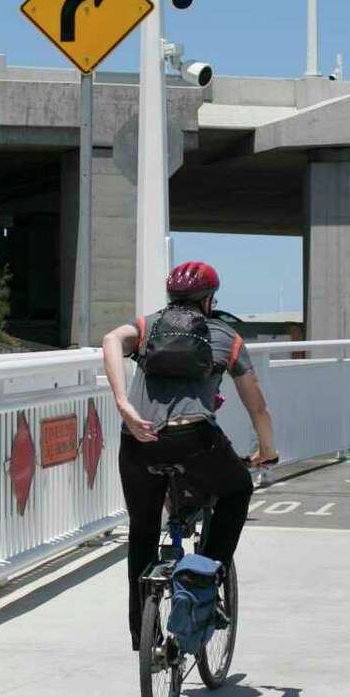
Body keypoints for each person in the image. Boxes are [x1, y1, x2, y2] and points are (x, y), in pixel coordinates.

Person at [101, 261, 278, 651]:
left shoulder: (147, 327)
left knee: (143, 531)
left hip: (137, 439)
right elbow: (257, 406)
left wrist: (123, 404)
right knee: (235, 491)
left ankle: (142, 636)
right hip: (195, 440)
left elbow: (111, 339)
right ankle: (202, 583)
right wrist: (267, 449)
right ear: (210, 299)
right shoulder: (226, 336)